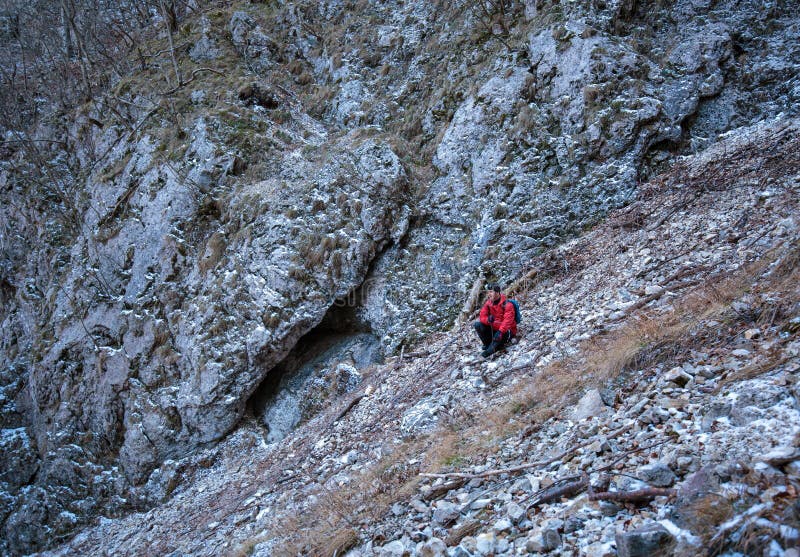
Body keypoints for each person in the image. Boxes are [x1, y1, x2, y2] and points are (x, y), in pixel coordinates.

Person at [474, 283, 517, 358]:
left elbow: (507, 321)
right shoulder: (488, 303)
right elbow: (482, 316)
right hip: (495, 329)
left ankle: (491, 350)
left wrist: (500, 332)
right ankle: (488, 344)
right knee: (478, 325)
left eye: (491, 292)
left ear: (497, 292)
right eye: (488, 292)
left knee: (491, 347)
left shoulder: (508, 305)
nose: (489, 294)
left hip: (506, 331)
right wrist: (488, 320)